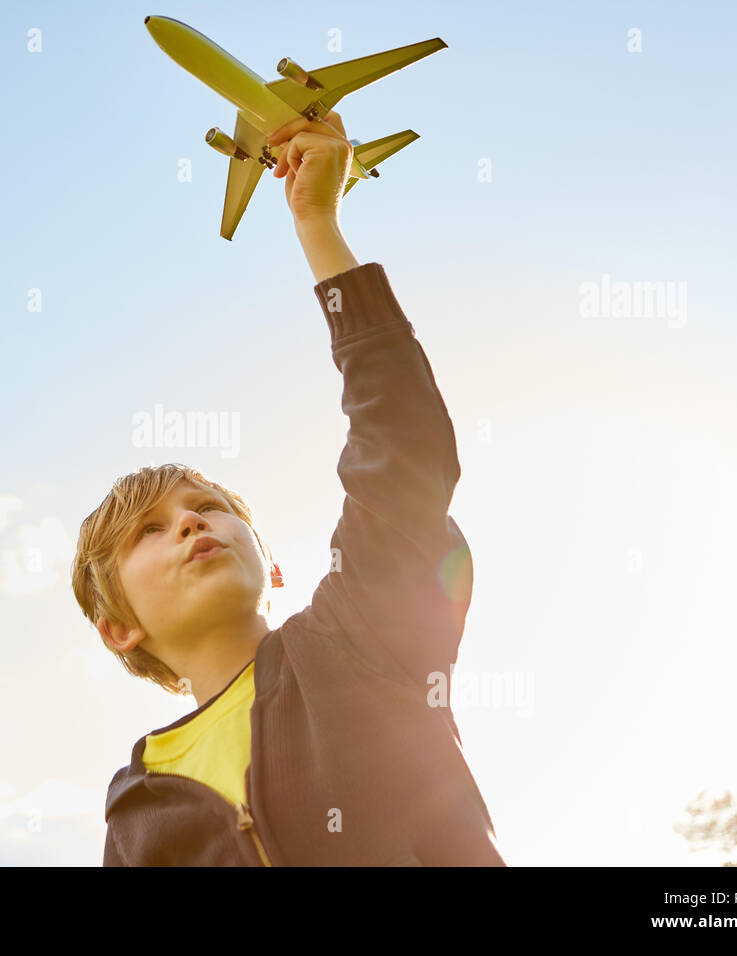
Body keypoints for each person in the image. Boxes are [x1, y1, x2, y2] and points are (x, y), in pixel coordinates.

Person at [70, 110, 505, 865]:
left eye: (208, 508)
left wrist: (319, 228)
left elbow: (401, 447)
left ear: (270, 568)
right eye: (149, 530)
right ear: (118, 628)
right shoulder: (137, 811)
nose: (188, 525)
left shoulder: (358, 636)